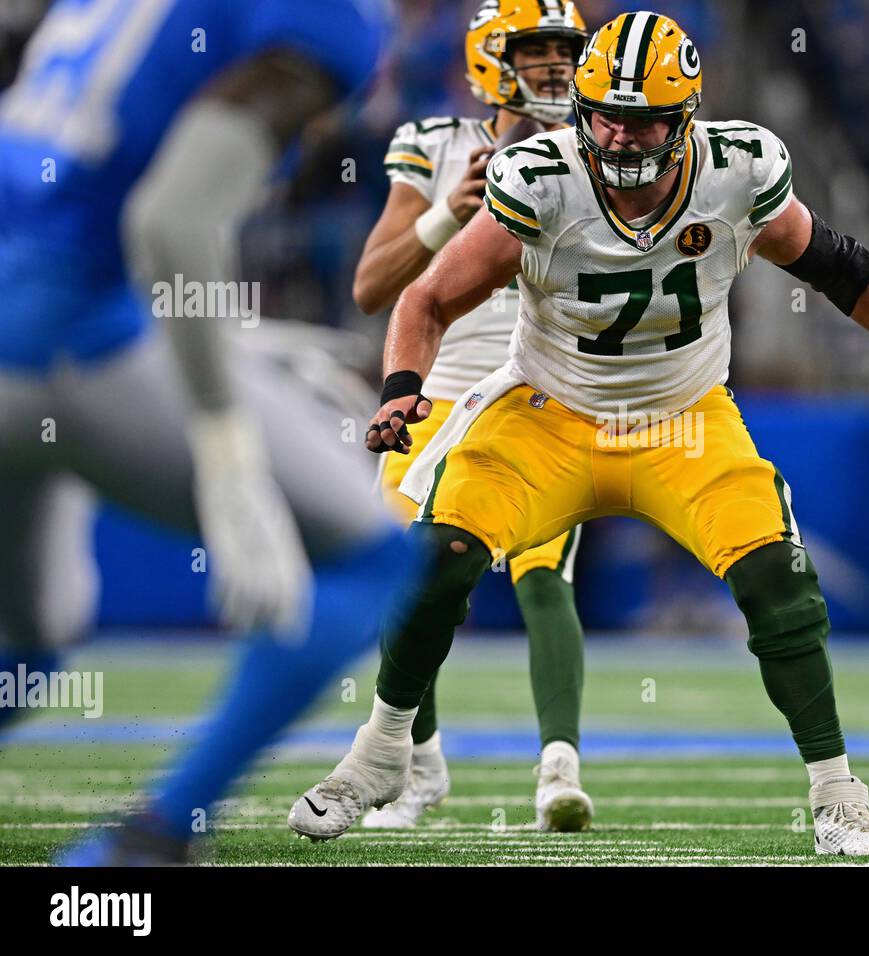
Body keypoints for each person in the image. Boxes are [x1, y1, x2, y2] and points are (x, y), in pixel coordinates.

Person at [291, 11, 869, 856]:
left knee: (778, 578)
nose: (623, 136)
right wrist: (403, 387)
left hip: (684, 419)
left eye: (646, 120)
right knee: (436, 557)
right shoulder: (541, 178)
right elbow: (426, 297)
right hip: (548, 414)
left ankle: (837, 796)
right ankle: (380, 754)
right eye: (608, 115)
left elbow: (835, 263)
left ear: (689, 117)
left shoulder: (737, 169)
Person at [0, 0, 420, 864]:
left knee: (33, 632)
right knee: (370, 552)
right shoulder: (328, 16)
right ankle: (149, 843)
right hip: (62, 339)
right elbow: (170, 223)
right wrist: (227, 455)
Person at [352, 0, 593, 832]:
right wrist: (443, 214)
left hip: (532, 385)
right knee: (403, 582)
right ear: (493, 59)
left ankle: (558, 767)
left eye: (567, 50)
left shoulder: (598, 150)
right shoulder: (435, 143)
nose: (558, 67)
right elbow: (371, 286)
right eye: (539, 51)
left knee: (542, 577)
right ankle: (420, 770)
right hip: (435, 385)